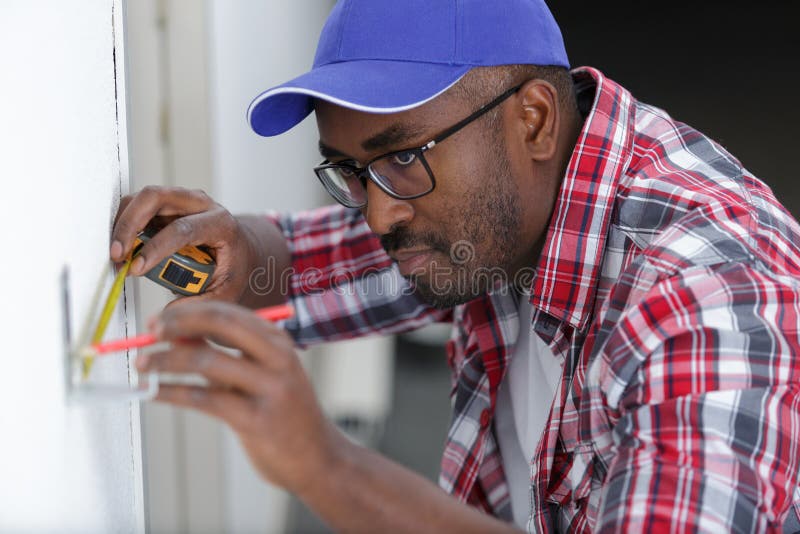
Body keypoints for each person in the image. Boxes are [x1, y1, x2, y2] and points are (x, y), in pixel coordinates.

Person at [112, 1, 800, 531]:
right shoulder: (496, 210)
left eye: (402, 157)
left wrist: (327, 466)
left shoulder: (711, 300)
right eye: (353, 171)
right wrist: (234, 254)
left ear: (533, 120)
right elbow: (310, 264)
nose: (378, 215)